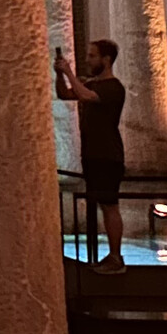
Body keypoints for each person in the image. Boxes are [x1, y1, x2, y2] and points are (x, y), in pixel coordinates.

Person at [56, 40, 129, 274]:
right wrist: (60, 75)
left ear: (106, 59)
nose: (88, 60)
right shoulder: (94, 83)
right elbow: (65, 94)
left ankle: (116, 257)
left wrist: (69, 72)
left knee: (110, 205)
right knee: (101, 204)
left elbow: (86, 96)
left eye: (92, 56)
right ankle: (106, 256)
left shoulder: (113, 87)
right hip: (93, 154)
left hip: (108, 155)